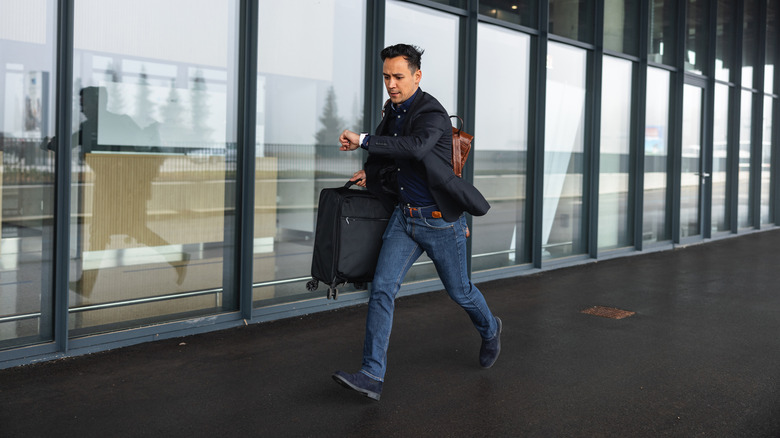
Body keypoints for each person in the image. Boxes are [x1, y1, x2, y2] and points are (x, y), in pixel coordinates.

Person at [332, 44, 501, 401]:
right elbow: (393, 156)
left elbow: (414, 148)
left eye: (398, 76)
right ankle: (371, 375)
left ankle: (490, 328)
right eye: (386, 77)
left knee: (460, 292)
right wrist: (370, 171)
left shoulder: (432, 113)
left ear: (417, 75)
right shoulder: (392, 111)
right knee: (382, 289)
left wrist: (363, 139)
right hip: (405, 218)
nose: (391, 84)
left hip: (440, 223)